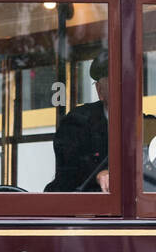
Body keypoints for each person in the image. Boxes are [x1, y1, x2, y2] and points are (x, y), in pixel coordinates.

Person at [45, 50, 111, 193]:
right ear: (100, 90)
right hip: (78, 206)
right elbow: (70, 164)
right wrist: (99, 174)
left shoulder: (146, 123)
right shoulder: (77, 121)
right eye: (117, 80)